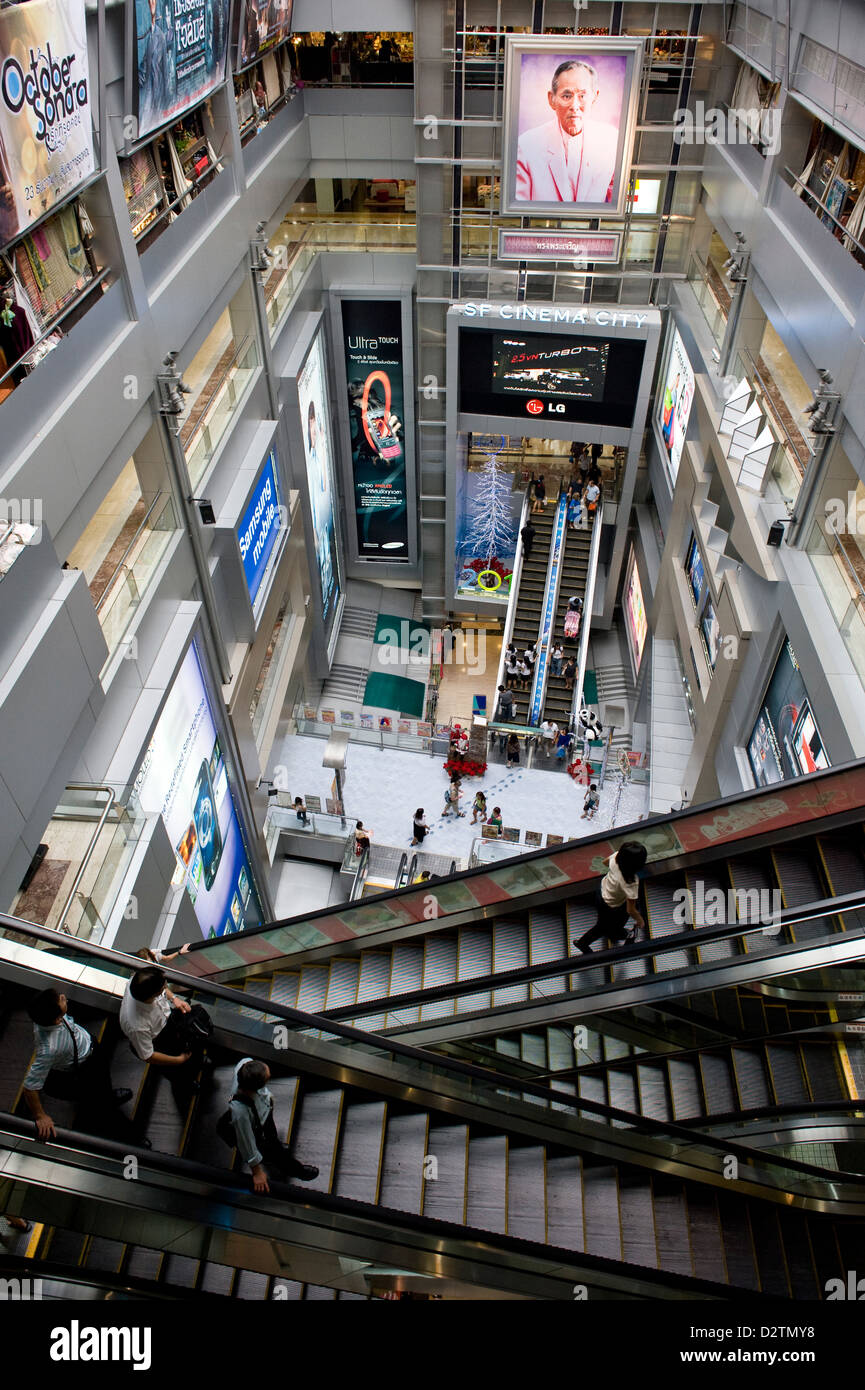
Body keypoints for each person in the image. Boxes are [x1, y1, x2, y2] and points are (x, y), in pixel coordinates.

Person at [22, 988, 148, 1146]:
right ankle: (131, 1136)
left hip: (90, 1048)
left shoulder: (46, 1016)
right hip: (85, 1067)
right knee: (102, 1102)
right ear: (57, 1020)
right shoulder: (49, 1048)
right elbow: (29, 1087)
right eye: (61, 1000)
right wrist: (40, 1115)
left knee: (103, 1084)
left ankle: (107, 1095)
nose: (64, 998)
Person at [515, 59, 620, 205]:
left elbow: (615, 207)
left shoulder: (612, 141)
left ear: (594, 97)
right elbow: (518, 210)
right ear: (552, 99)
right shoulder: (526, 146)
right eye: (566, 96)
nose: (574, 106)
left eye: (582, 96)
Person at [229, 1058, 318, 1192]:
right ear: (257, 1086)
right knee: (276, 1153)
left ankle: (273, 1151)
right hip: (259, 1126)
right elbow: (246, 1142)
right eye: (267, 1077)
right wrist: (257, 1171)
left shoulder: (244, 1063)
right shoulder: (240, 1112)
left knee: (273, 1139)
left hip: (265, 1114)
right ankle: (298, 1171)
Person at [120, 967, 212, 1095]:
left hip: (167, 1022)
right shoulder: (137, 1026)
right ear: (154, 994)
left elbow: (162, 987)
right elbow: (148, 1055)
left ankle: (197, 1060)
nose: (166, 986)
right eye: (163, 987)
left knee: (186, 1043)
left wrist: (175, 999)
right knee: (175, 1071)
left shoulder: (137, 982)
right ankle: (185, 1084)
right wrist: (179, 1060)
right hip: (158, 1040)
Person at [574, 841, 648, 953]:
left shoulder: (615, 857)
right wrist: (640, 921)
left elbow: (604, 862)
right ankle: (582, 943)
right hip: (612, 905)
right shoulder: (631, 882)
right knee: (603, 927)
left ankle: (618, 934)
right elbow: (630, 909)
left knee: (605, 924)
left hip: (602, 890)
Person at [138, 0, 172, 136]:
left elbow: (164, 75)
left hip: (156, 109)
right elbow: (140, 76)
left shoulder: (159, 35)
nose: (153, 3)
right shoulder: (143, 37)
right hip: (144, 113)